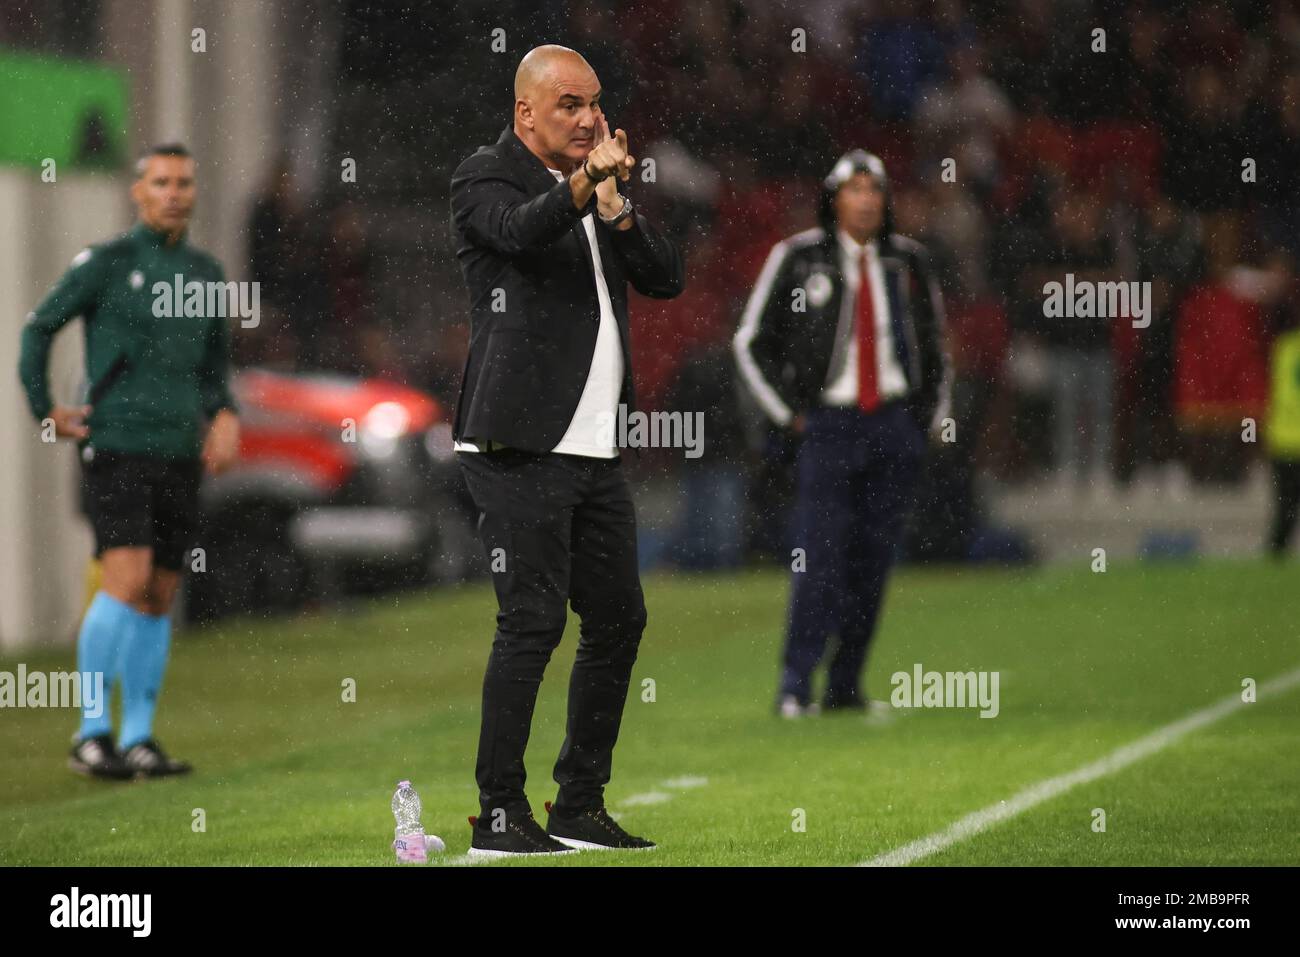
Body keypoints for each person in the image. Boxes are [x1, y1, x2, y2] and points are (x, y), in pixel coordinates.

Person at [448, 45, 684, 856]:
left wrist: (617, 208)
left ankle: (578, 803)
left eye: (595, 104)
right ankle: (499, 813)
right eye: (569, 105)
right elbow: (519, 234)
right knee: (533, 620)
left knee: (618, 618)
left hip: (593, 446)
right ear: (526, 113)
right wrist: (586, 186)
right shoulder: (485, 176)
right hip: (517, 439)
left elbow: (666, 277)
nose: (589, 119)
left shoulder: (594, 188)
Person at [18, 143, 240, 779]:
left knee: (159, 593)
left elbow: (213, 369)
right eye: (161, 182)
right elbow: (38, 327)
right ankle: (91, 734)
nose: (174, 193)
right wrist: (45, 409)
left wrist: (225, 415)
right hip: (117, 444)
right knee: (127, 580)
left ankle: (138, 738)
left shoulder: (205, 273)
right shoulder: (107, 262)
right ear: (137, 192)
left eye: (184, 182)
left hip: (179, 450)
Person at [734, 148, 950, 718]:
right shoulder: (797, 257)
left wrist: (925, 419)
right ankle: (794, 686)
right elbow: (750, 342)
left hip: (892, 423)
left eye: (875, 189)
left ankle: (845, 686)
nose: (866, 200)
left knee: (873, 563)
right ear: (833, 199)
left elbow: (936, 347)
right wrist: (788, 415)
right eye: (855, 189)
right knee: (817, 560)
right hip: (827, 426)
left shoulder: (909, 262)